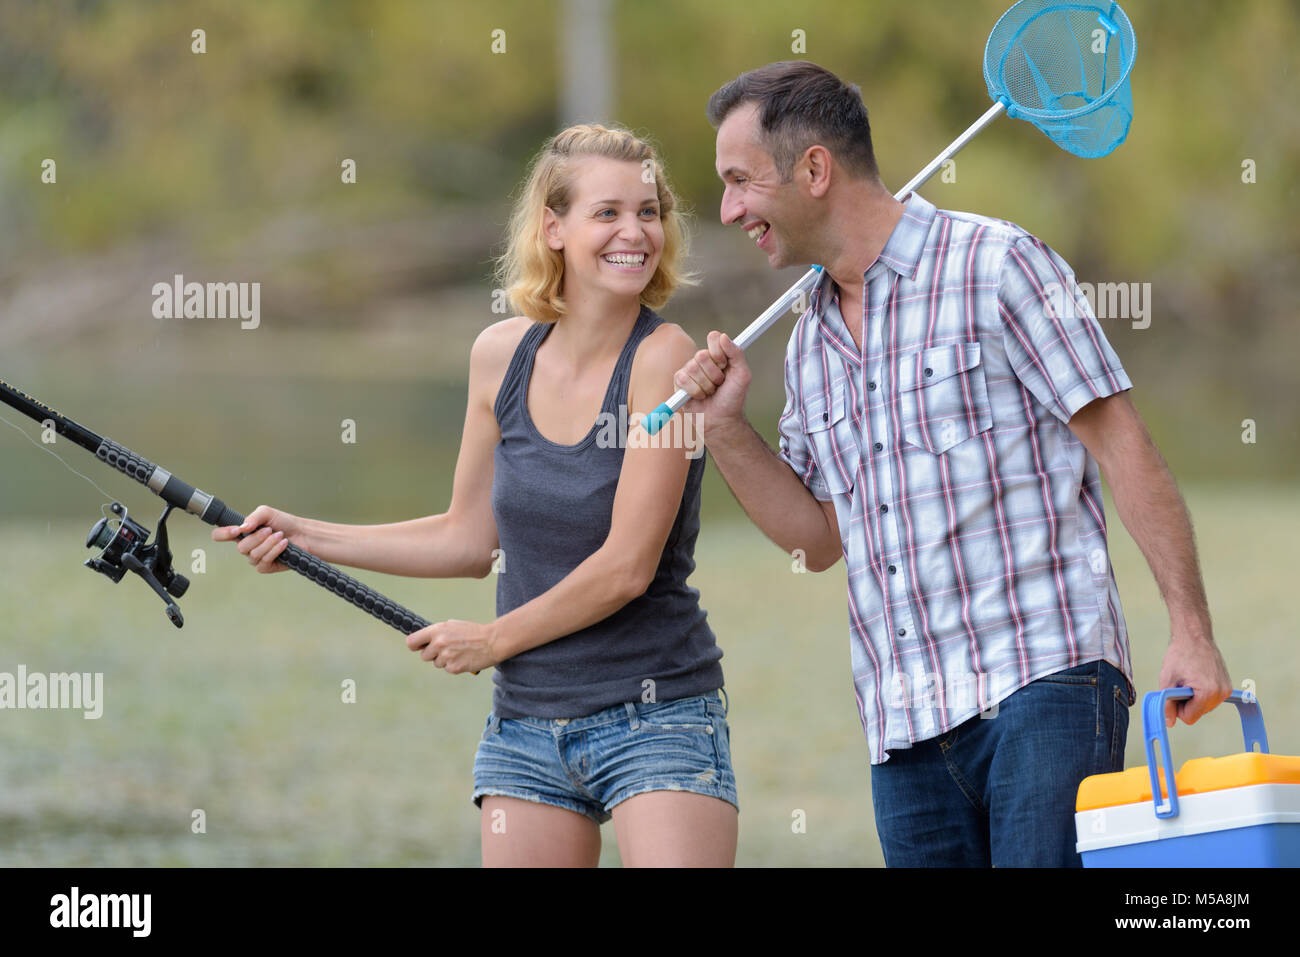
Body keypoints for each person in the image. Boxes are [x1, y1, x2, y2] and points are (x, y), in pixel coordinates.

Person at [671, 61, 1232, 867]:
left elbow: (1123, 445)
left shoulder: (1000, 266)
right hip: (904, 729)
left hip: (1048, 681)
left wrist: (1191, 629)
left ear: (815, 169)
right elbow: (820, 540)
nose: (728, 210)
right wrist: (724, 429)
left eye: (739, 182)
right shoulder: (811, 345)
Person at [212, 124, 738, 867]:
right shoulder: (500, 357)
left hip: (658, 718)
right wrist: (306, 534)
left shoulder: (665, 361)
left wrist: (491, 640)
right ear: (553, 227)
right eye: (608, 212)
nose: (636, 232)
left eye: (649, 212)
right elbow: (467, 539)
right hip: (526, 725)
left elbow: (627, 566)